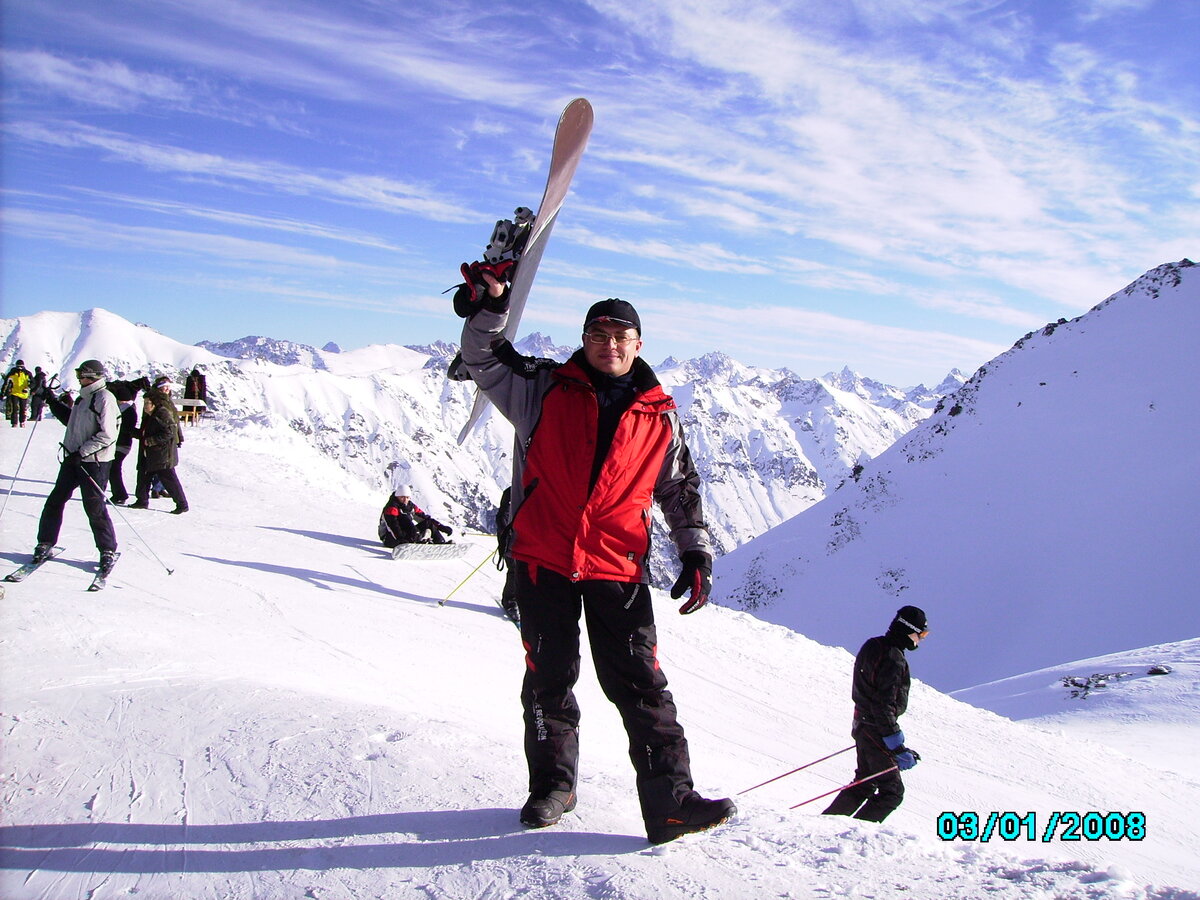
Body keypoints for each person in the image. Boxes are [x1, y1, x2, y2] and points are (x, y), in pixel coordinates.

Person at [457, 279, 735, 845]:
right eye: (597, 334)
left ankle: (671, 804)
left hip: (617, 566)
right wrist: (493, 308)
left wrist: (695, 549)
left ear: (638, 343)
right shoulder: (540, 388)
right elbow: (481, 355)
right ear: (583, 339)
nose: (609, 344)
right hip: (543, 559)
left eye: (620, 335)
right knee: (549, 679)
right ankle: (552, 788)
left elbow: (679, 487)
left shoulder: (660, 414)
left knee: (641, 685)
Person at [822, 605, 929, 823]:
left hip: (861, 725)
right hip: (876, 729)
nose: (922, 639)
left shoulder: (874, 645)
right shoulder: (893, 658)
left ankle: (828, 825)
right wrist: (896, 745)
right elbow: (884, 705)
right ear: (909, 630)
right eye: (922, 633)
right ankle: (850, 834)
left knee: (865, 782)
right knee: (892, 792)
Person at [30, 360, 119, 575]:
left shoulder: (104, 398)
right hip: (74, 459)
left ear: (94, 376)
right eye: (79, 375)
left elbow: (108, 434)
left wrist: (82, 453)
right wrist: (52, 401)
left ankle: (107, 550)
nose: (80, 378)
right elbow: (72, 421)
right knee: (55, 500)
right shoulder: (83, 398)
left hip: (94, 462)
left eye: (84, 375)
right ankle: (45, 542)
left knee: (94, 507)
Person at [129, 387, 189, 514]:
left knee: (170, 480)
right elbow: (145, 433)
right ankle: (141, 501)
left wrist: (151, 441)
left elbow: (169, 432)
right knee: (143, 476)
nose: (145, 406)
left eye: (147, 403)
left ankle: (182, 504)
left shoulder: (162, 413)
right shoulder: (150, 415)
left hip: (162, 455)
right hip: (150, 454)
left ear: (154, 403)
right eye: (144, 403)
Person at [106, 377, 150, 505]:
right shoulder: (128, 409)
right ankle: (119, 494)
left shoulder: (126, 411)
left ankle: (120, 494)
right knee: (113, 468)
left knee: (113, 468)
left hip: (121, 443)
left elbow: (126, 428)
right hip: (120, 443)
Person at [378, 486, 452, 546]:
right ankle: (418, 541)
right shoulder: (391, 508)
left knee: (428, 523)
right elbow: (393, 526)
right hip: (389, 538)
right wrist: (401, 540)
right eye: (402, 497)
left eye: (407, 497)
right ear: (397, 496)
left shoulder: (410, 507)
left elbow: (425, 518)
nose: (405, 500)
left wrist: (441, 527)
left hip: (404, 536)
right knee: (404, 518)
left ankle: (440, 543)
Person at [4, 360, 32, 428]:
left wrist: (28, 388)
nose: (19, 368)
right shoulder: (12, 372)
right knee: (14, 408)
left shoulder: (27, 373)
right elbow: (6, 382)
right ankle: (14, 423)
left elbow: (33, 382)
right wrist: (3, 392)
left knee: (23, 408)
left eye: (21, 366)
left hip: (23, 393)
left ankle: (22, 422)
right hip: (15, 392)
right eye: (18, 367)